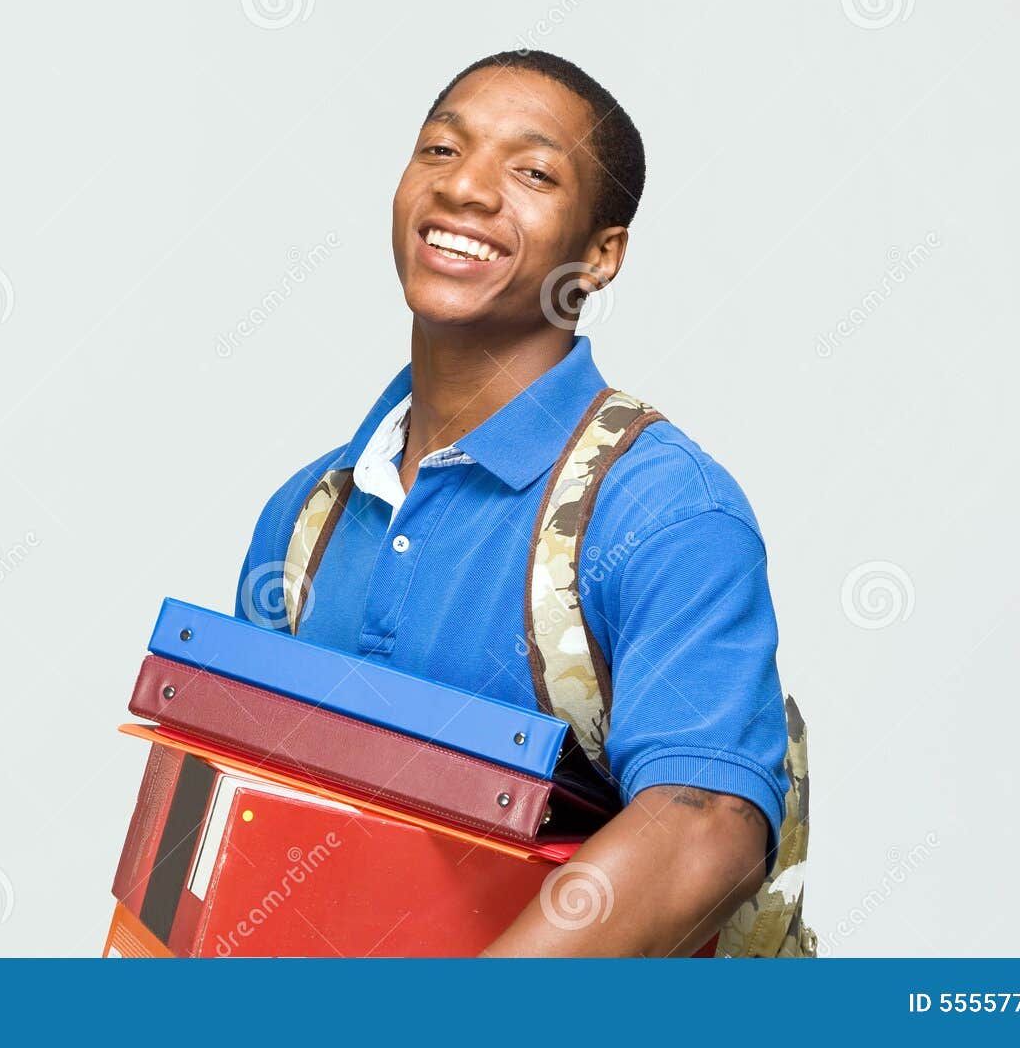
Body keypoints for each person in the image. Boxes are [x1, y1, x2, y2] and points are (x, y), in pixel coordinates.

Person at [234, 50, 789, 957]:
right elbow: (246, 817)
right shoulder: (307, 516)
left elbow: (706, 822)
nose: (469, 191)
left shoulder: (661, 510)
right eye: (441, 150)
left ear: (601, 254)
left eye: (532, 172)